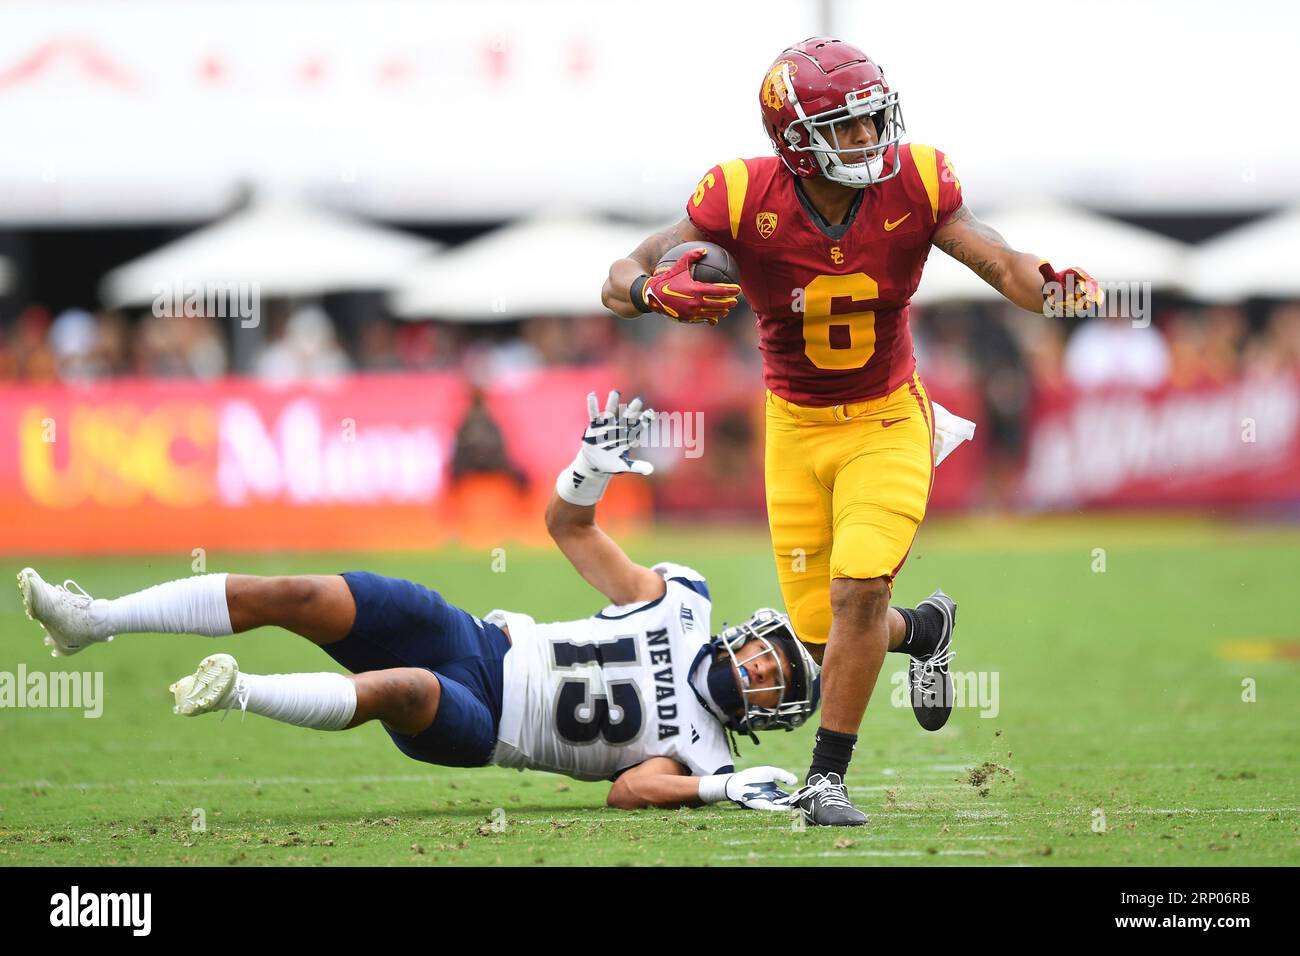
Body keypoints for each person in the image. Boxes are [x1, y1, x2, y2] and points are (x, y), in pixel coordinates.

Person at [603, 37, 1101, 825]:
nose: (867, 140)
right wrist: (648, 288)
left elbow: (1004, 264)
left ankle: (827, 778)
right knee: (816, 627)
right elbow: (620, 275)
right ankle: (926, 628)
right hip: (795, 428)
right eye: (844, 127)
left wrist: (1056, 291)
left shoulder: (918, 181)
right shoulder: (738, 196)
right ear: (794, 139)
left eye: (872, 121)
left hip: (886, 418)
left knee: (858, 590)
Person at [18, 391, 818, 812]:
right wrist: (589, 470)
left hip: (483, 721)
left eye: (771, 684)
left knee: (405, 691)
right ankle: (92, 621)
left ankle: (240, 693)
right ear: (748, 633)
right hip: (473, 637)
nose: (755, 673)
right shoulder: (678, 605)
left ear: (766, 719)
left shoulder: (706, 757)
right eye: (764, 656)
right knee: (296, 592)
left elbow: (627, 790)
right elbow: (569, 529)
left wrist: (717, 788)